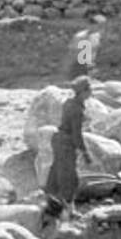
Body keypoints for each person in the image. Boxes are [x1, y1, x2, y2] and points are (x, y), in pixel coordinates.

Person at [45, 75, 94, 208]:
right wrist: (85, 153)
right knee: (69, 178)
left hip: (58, 139)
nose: (91, 93)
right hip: (65, 143)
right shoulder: (77, 110)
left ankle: (49, 201)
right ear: (84, 91)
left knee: (56, 172)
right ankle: (67, 209)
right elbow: (76, 135)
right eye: (90, 90)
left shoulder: (69, 102)